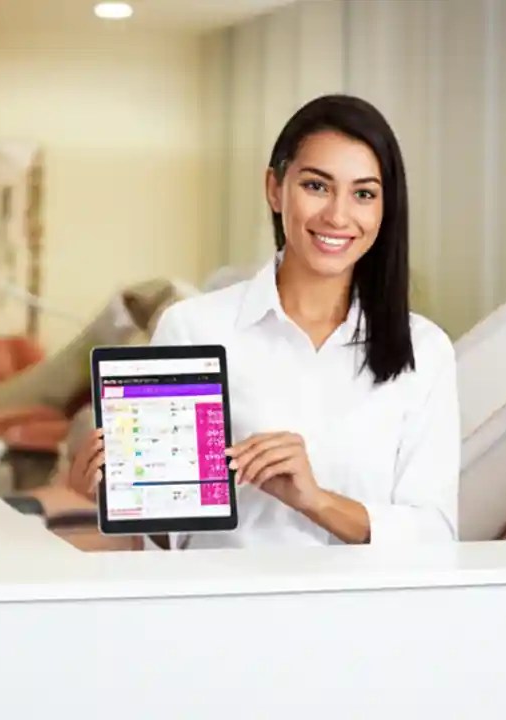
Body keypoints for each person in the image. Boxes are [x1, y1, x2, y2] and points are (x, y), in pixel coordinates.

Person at [65, 94, 460, 548]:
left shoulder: (424, 350)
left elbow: (435, 534)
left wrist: (315, 500)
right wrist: (118, 497)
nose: (337, 214)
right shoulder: (193, 328)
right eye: (316, 186)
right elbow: (170, 540)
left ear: (384, 209)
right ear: (275, 188)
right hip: (223, 610)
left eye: (364, 194)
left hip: (361, 614)